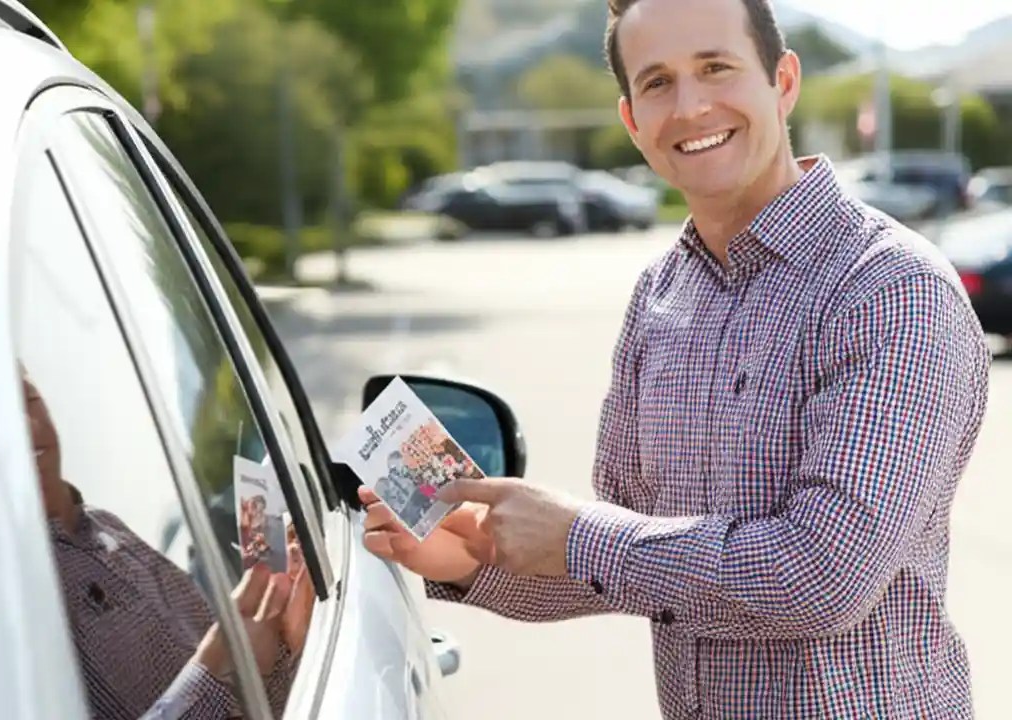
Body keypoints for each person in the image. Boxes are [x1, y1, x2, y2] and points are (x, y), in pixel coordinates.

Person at [360, 0, 990, 717]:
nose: (690, 106)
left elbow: (824, 575)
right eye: (657, 82)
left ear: (783, 82)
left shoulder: (890, 290)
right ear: (632, 121)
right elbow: (630, 557)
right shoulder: (660, 294)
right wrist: (477, 560)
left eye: (715, 68)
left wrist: (575, 535)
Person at [22, 370, 314, 720]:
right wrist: (215, 662)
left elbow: (243, 703)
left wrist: (281, 648)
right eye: (1, 418)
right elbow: (220, 672)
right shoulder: (20, 603)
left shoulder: (104, 525)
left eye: (29, 399)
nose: (24, 423)